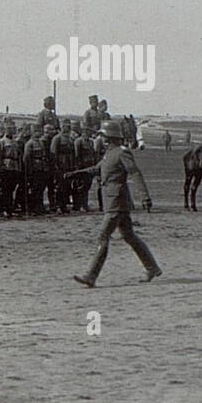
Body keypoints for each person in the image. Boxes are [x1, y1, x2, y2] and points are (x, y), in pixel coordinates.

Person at [70, 120, 161, 287]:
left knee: (103, 236)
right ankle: (152, 267)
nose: (101, 138)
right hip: (113, 201)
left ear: (110, 137)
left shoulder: (121, 153)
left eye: (102, 135)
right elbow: (97, 169)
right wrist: (75, 174)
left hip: (116, 201)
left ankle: (91, 275)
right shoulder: (110, 153)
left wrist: (145, 196)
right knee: (129, 236)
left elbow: (135, 173)